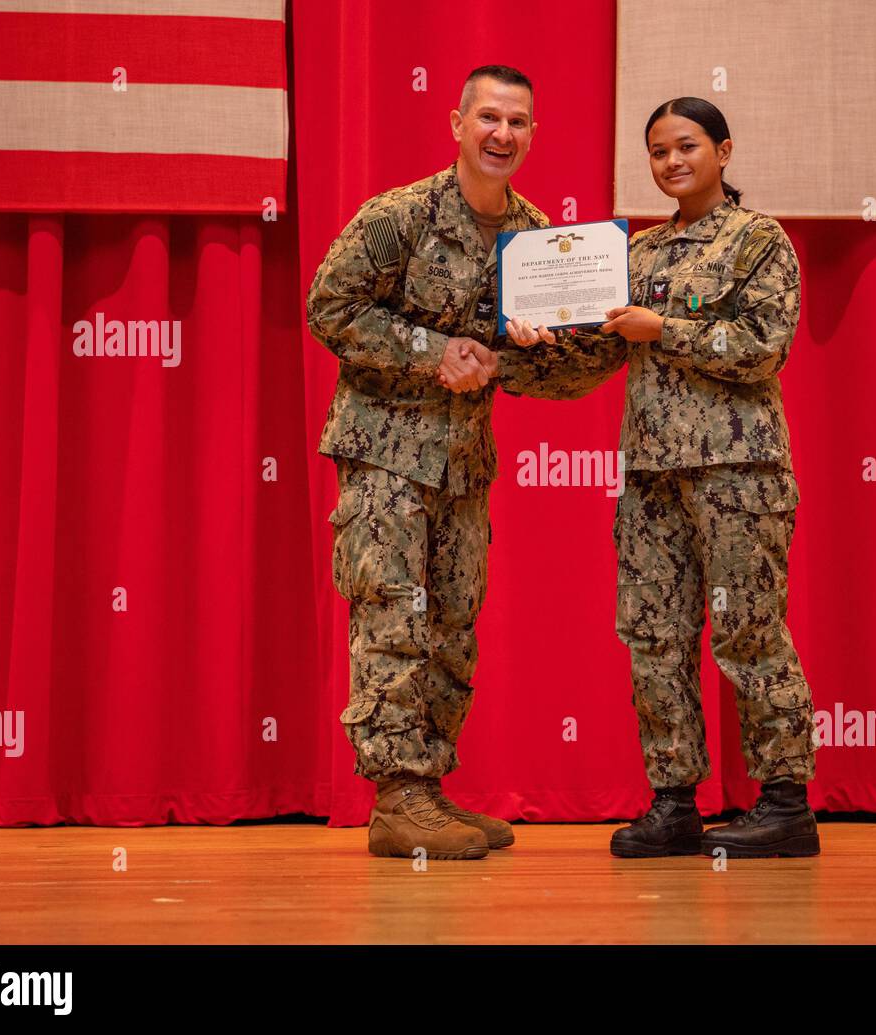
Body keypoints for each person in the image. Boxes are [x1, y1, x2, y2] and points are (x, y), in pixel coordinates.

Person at [501, 97, 819, 858]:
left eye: (686, 146)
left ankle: (784, 803)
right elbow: (597, 354)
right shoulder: (633, 255)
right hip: (650, 475)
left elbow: (762, 346)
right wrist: (522, 350)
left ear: (724, 150)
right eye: (657, 152)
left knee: (748, 631)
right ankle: (674, 801)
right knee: (654, 637)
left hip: (737, 471)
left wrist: (664, 328)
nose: (672, 162)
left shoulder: (758, 241)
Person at [307, 65, 570, 860]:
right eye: (488, 117)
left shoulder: (538, 237)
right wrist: (431, 351)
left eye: (518, 122)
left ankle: (426, 786)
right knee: (395, 618)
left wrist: (532, 350)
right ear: (456, 123)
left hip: (463, 463)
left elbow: (554, 368)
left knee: (453, 628)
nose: (502, 134)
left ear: (532, 135)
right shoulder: (399, 217)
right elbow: (330, 305)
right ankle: (396, 799)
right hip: (386, 454)